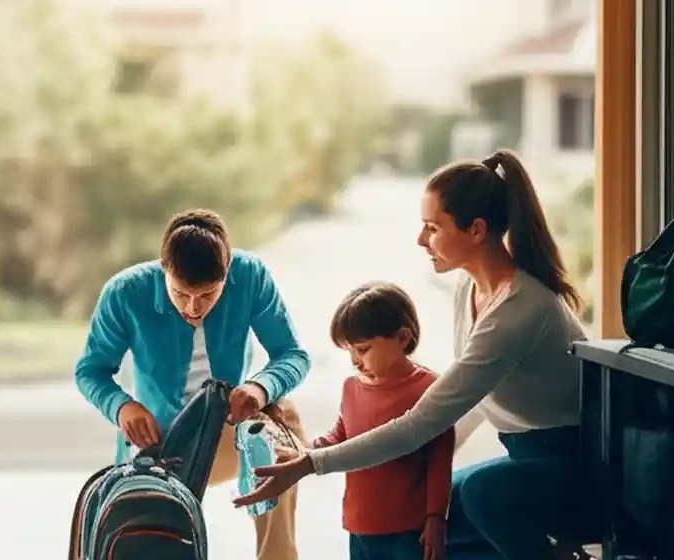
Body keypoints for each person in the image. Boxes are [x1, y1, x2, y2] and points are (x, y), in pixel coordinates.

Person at [234, 149, 590, 560]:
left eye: (432, 228)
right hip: (528, 461)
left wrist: (310, 463)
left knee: (478, 495)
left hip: (570, 465)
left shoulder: (520, 307)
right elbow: (468, 404)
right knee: (422, 516)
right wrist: (414, 473)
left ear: (476, 230)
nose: (421, 240)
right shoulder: (470, 289)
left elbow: (422, 422)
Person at [74, 209, 311, 560]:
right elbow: (90, 371)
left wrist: (260, 388)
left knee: (283, 430)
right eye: (181, 294)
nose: (194, 308)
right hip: (162, 442)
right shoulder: (125, 292)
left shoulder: (250, 277)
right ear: (164, 269)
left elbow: (293, 355)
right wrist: (123, 407)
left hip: (229, 427)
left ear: (227, 274)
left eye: (208, 295)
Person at [314, 281, 452, 560]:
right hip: (359, 525)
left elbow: (440, 462)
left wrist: (436, 518)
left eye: (363, 349)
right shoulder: (351, 388)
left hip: (408, 530)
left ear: (402, 338)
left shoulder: (431, 391)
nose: (355, 360)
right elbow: (341, 435)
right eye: (350, 351)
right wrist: (309, 448)